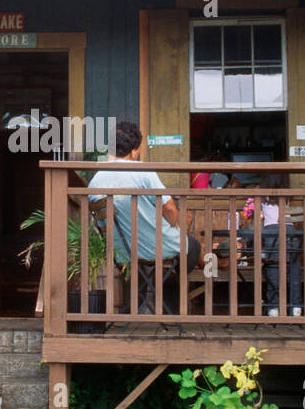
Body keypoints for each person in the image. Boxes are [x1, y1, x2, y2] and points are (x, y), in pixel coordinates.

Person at [88, 122, 212, 312]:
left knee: (172, 257)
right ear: (135, 150)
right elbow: (169, 208)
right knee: (192, 246)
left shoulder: (96, 180)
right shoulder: (141, 171)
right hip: (154, 246)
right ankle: (203, 280)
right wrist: (177, 226)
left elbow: (104, 227)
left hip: (122, 251)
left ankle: (146, 304)